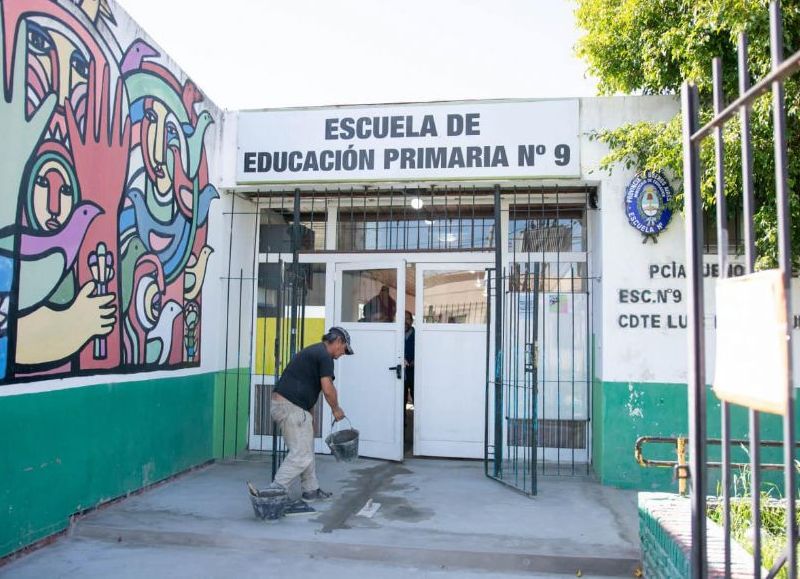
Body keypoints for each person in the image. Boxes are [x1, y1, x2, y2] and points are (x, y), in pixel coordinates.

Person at [269, 327, 353, 506]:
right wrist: (336, 409)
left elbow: (308, 386)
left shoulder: (315, 352)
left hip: (290, 406)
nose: (343, 353)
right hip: (290, 406)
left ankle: (311, 490)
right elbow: (327, 387)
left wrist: (310, 416)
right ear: (337, 341)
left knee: (306, 449)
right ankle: (273, 492)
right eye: (344, 348)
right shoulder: (324, 356)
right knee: (301, 455)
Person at [404, 311, 415, 405]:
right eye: (402, 319)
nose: (404, 321)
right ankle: (402, 420)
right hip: (400, 373)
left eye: (407, 319)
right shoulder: (396, 334)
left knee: (417, 398)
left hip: (415, 373)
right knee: (401, 400)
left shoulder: (418, 335)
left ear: (411, 321)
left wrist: (416, 360)